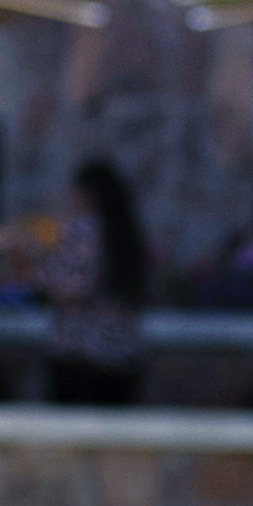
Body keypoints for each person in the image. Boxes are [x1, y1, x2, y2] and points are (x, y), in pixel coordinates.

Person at [38, 154, 154, 408]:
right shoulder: (125, 231)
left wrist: (38, 274)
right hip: (124, 358)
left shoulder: (83, 230)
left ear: (86, 193)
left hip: (83, 356)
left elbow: (72, 288)